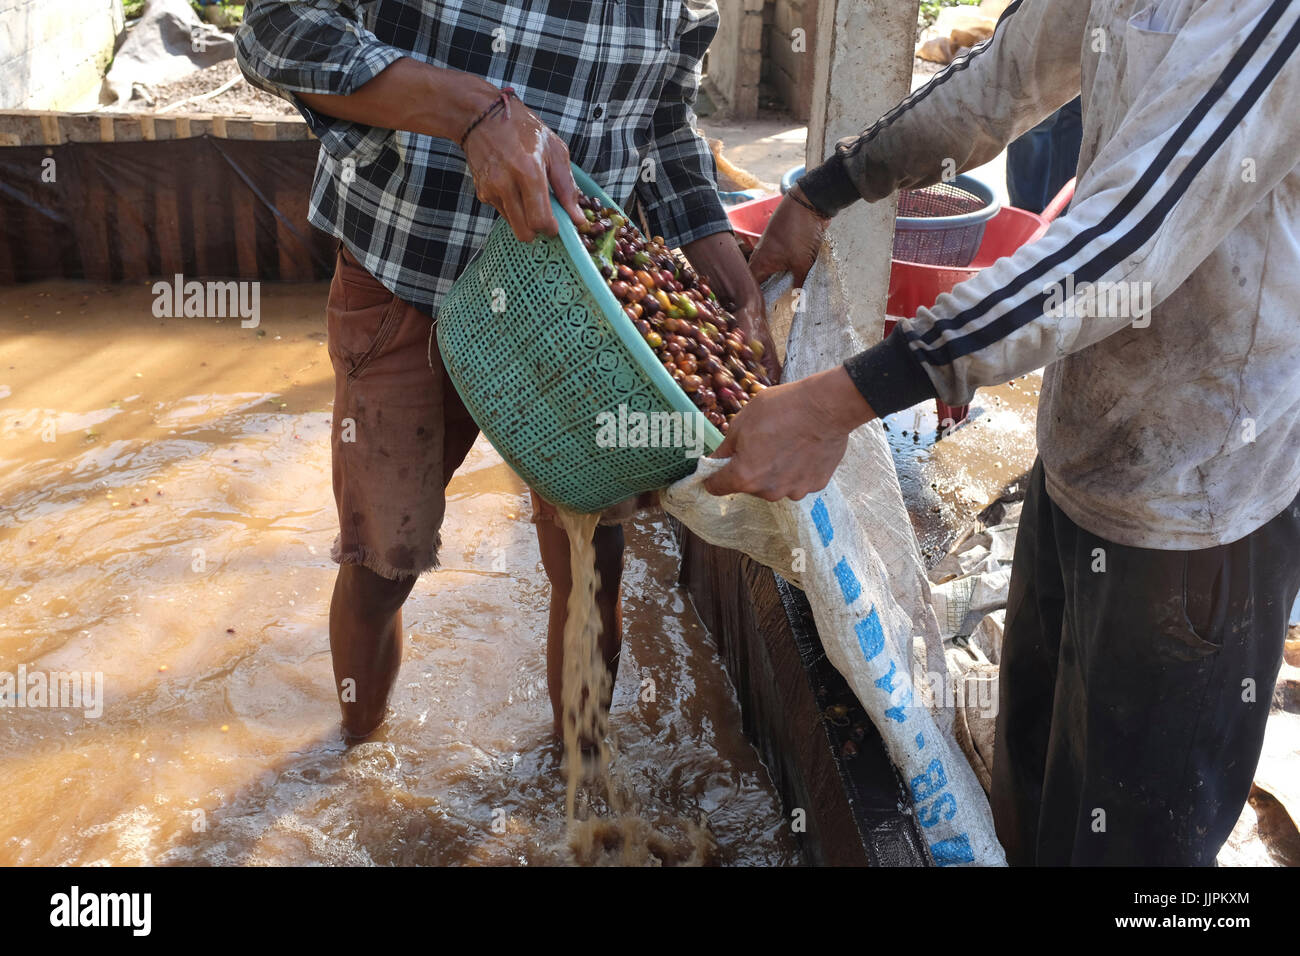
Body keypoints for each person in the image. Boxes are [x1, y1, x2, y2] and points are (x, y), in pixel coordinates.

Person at [716, 0, 1300, 865]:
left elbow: (1118, 241)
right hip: (1081, 463)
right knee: (1028, 791)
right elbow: (1001, 80)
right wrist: (824, 191)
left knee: (1137, 851)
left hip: (1195, 503)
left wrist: (838, 400)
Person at [235, 0, 772, 743]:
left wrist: (721, 260)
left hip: (584, 320)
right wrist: (474, 113)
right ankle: (356, 754)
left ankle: (580, 793)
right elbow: (277, 28)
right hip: (409, 278)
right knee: (383, 562)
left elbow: (662, 126)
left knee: (591, 569)